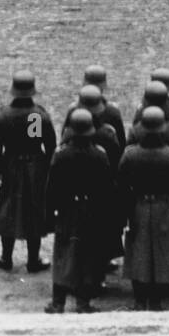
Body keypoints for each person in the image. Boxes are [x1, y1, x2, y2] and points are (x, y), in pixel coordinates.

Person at [116, 107, 169, 310]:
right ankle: (156, 299)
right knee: (162, 250)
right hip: (163, 206)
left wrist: (125, 211)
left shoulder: (130, 154)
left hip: (138, 205)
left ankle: (140, 299)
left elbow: (121, 183)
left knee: (138, 251)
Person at [44, 109, 113, 313]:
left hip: (66, 210)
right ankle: (83, 302)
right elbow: (107, 188)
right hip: (91, 210)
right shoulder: (99, 155)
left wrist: (49, 215)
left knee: (63, 254)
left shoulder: (61, 154)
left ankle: (58, 302)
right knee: (87, 255)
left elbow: (51, 188)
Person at [0, 71, 55, 273]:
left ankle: (6, 257)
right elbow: (49, 145)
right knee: (34, 211)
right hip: (35, 168)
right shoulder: (37, 115)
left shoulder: (4, 115)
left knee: (9, 209)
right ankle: (33, 259)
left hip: (11, 167)